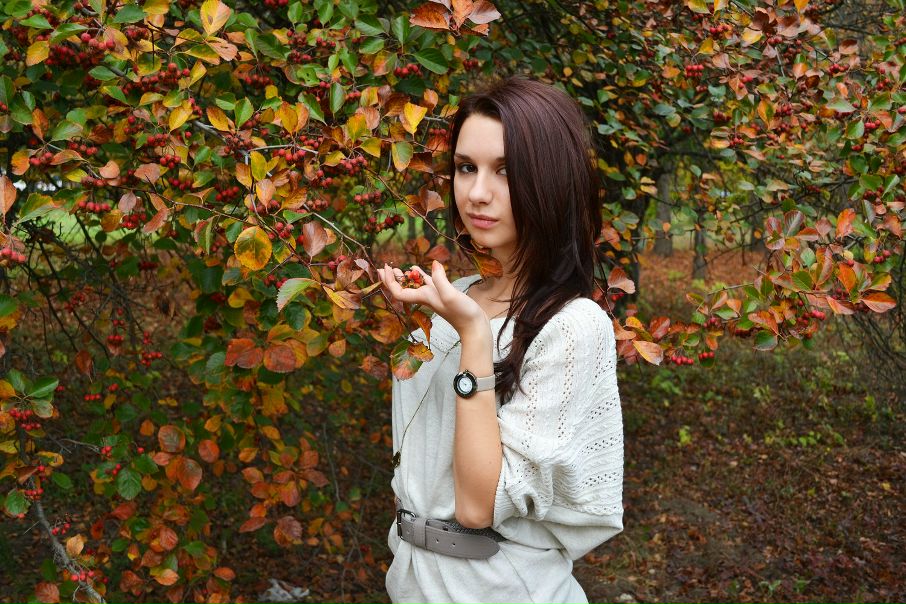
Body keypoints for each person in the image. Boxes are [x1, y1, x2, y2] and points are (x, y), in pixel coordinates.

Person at [376, 76, 623, 604]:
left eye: (505, 171)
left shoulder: (571, 326)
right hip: (414, 582)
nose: (476, 193)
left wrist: (473, 335)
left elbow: (476, 507)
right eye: (466, 167)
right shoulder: (456, 296)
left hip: (502, 588)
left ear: (549, 180)